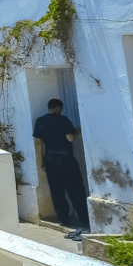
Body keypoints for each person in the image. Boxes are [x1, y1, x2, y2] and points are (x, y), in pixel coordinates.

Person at [33, 98, 90, 240]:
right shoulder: (63, 120)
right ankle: (85, 219)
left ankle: (63, 219)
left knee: (57, 191)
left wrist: (40, 162)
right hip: (66, 160)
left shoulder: (40, 121)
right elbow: (70, 138)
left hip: (50, 160)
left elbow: (38, 143)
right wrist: (77, 132)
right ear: (58, 107)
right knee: (75, 189)